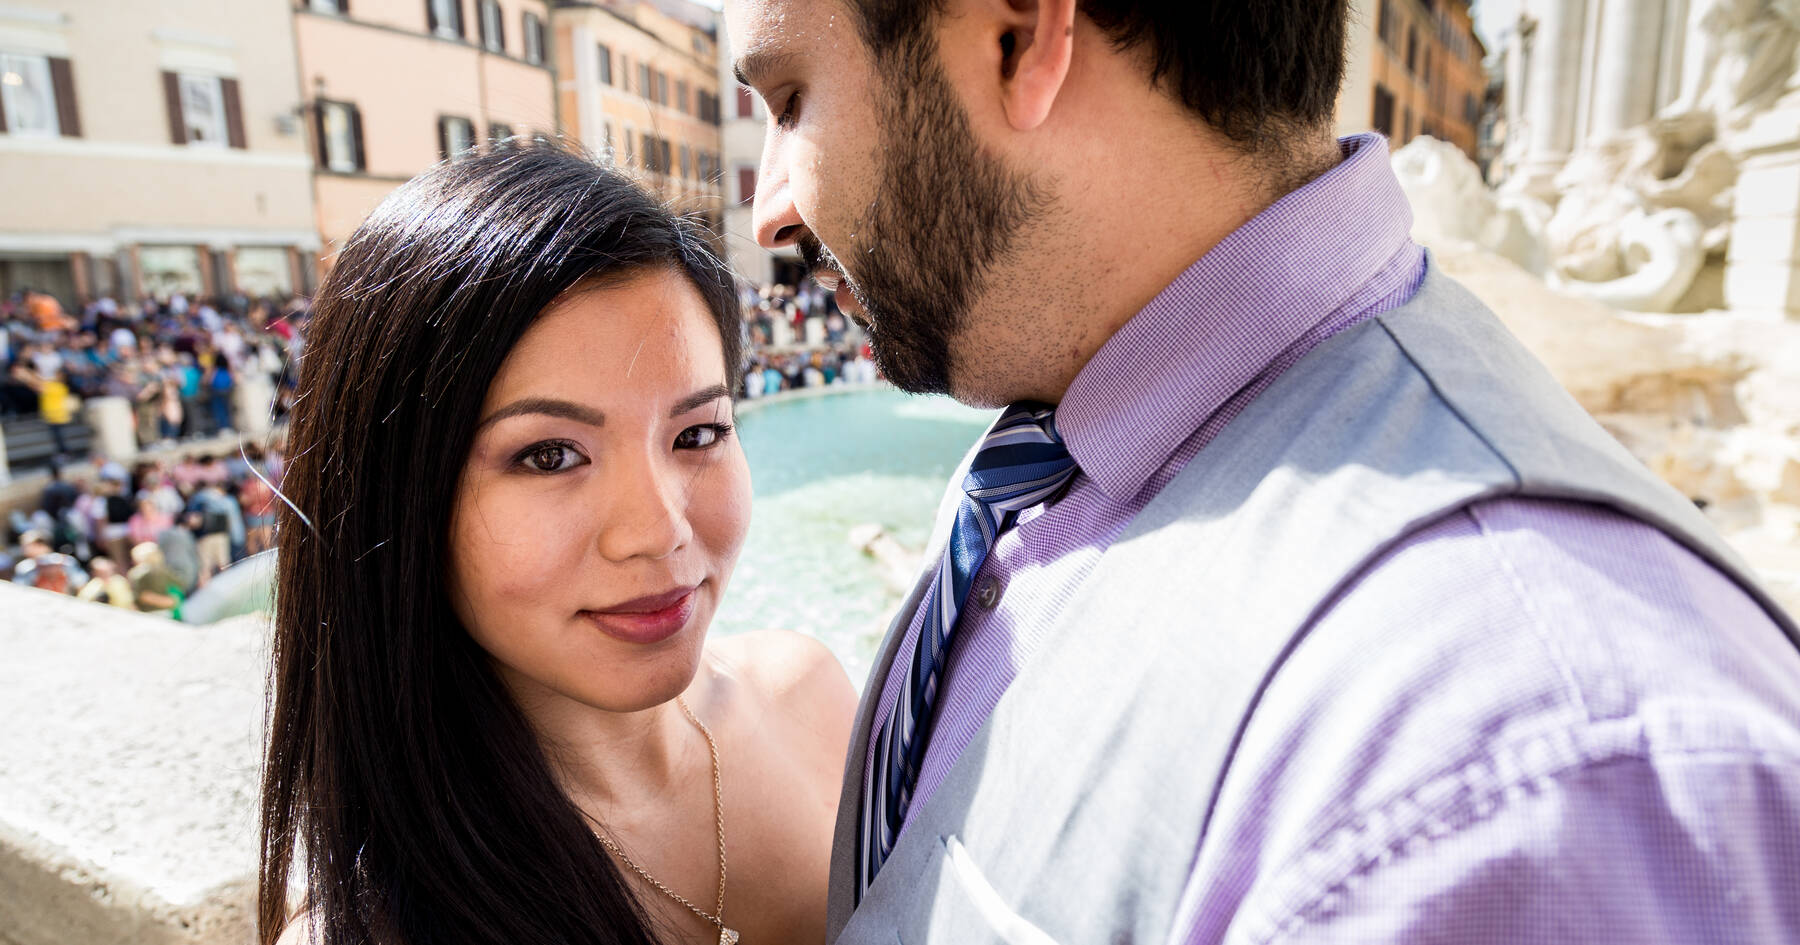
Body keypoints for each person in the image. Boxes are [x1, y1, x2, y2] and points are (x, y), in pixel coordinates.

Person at [725, 1, 1800, 942]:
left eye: (789, 97)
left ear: (1019, 37)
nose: (772, 205)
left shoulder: (1521, 770)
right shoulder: (1059, 423)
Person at [260, 147, 855, 945]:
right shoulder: (369, 930)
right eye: (548, 455)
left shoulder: (811, 699)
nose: (659, 530)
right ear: (398, 497)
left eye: (698, 433)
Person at [127, 542, 183, 614]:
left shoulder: (136, 573)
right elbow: (179, 583)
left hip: (146, 611)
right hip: (162, 610)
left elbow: (139, 595)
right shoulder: (164, 571)